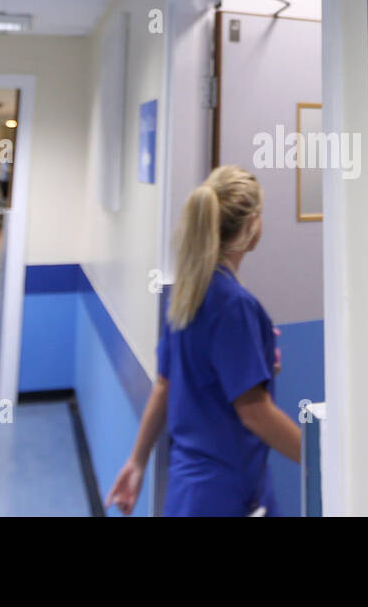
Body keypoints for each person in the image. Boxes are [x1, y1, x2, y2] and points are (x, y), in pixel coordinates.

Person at [106, 165, 301, 517]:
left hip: (188, 490)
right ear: (253, 223)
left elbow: (164, 386)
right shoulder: (234, 306)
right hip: (228, 495)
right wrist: (321, 458)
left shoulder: (187, 294)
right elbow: (256, 414)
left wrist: (136, 462)